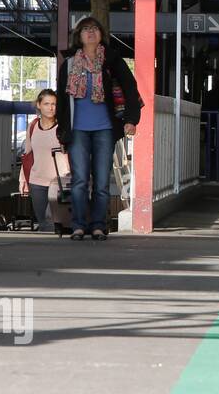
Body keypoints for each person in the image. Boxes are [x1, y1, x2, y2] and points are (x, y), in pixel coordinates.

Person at [56, 16, 141, 241]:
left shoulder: (112, 61)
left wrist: (131, 119)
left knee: (102, 182)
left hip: (105, 128)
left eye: (95, 28)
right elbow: (62, 101)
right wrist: (62, 134)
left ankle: (98, 226)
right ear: (79, 36)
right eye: (86, 29)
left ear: (102, 34)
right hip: (77, 130)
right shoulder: (69, 64)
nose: (91, 32)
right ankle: (78, 226)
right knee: (79, 181)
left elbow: (130, 88)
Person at [20, 89, 61, 233]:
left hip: (59, 182)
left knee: (51, 219)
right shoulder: (33, 126)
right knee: (43, 221)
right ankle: (46, 246)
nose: (51, 108)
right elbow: (27, 154)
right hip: (36, 181)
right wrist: (23, 180)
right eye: (46, 104)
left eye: (54, 104)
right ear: (39, 105)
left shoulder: (62, 127)